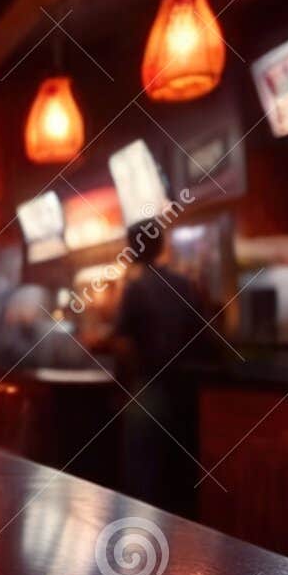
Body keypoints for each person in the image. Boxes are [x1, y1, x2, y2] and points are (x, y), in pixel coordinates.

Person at [108, 220, 214, 516]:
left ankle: (145, 548)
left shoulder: (136, 288)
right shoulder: (183, 284)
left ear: (131, 249)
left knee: (142, 479)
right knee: (179, 478)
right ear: (162, 245)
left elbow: (123, 344)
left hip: (148, 388)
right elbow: (203, 333)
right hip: (186, 390)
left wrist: (121, 388)